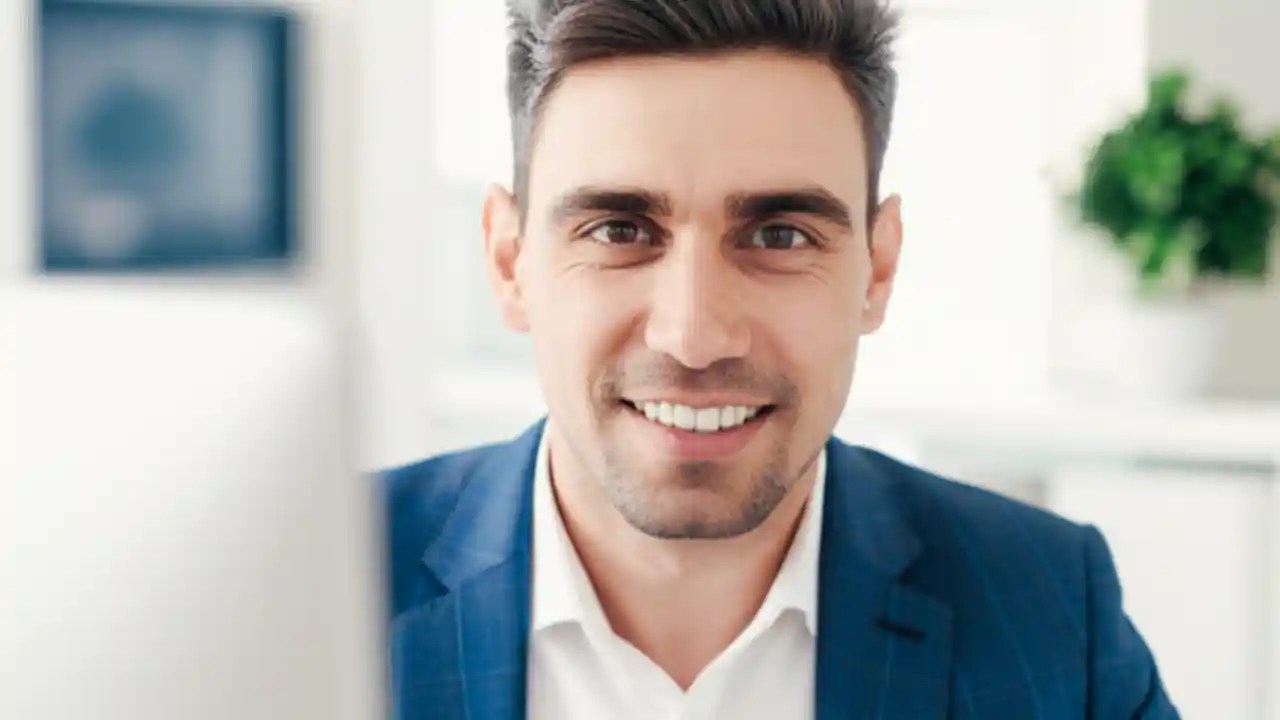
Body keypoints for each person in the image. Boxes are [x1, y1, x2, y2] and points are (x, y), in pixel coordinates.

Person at [382, 1, 1179, 718]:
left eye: (779, 236)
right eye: (620, 231)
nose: (693, 336)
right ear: (509, 262)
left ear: (878, 270)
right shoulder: (306, 581)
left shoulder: (1052, 619)